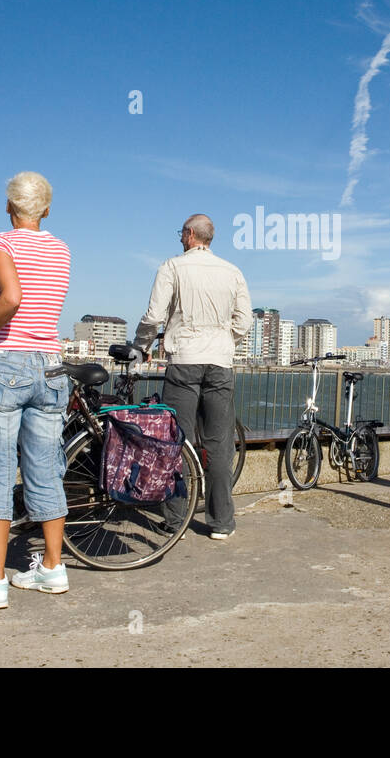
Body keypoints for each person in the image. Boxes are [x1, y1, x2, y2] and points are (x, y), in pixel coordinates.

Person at [0, 172, 72, 610]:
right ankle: (52, 569)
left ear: (8, 207)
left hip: (6, 366)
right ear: (46, 209)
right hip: (50, 366)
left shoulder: (0, 243)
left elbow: (13, 298)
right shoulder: (60, 249)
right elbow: (36, 312)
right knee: (45, 467)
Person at [132, 214, 251, 539]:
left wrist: (140, 346)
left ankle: (176, 521)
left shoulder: (172, 267)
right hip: (220, 362)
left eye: (181, 233)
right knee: (219, 444)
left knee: (176, 441)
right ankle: (221, 522)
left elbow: (154, 315)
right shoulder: (232, 271)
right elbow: (244, 320)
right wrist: (226, 341)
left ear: (189, 234)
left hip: (184, 360)